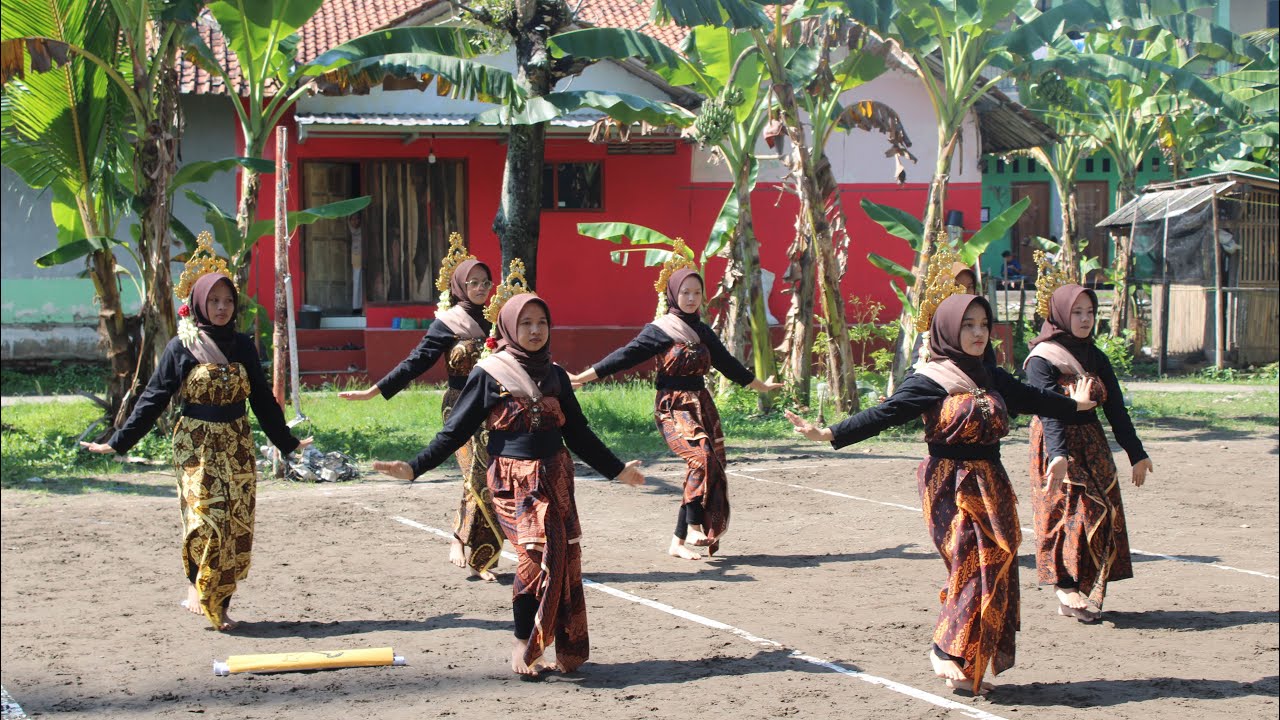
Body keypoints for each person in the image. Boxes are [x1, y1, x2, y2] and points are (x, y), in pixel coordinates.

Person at [785, 292, 1098, 696]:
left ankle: (967, 663)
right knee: (971, 561)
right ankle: (943, 648)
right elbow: (885, 414)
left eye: (983, 324)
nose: (978, 333)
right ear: (948, 329)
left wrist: (1077, 406)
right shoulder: (931, 379)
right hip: (950, 484)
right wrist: (827, 433)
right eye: (968, 325)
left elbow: (1036, 399)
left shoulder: (992, 376)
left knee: (997, 563)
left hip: (992, 481)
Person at [374, 271, 645, 677]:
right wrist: (415, 466)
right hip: (511, 480)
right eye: (525, 323)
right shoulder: (489, 373)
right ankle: (523, 642)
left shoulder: (555, 375)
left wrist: (618, 470)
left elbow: (578, 433)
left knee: (563, 558)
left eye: (541, 322)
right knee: (532, 558)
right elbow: (455, 431)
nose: (535, 331)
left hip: (556, 477)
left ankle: (556, 645)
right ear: (507, 328)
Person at [81, 253, 310, 631]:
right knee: (205, 517)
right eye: (214, 301)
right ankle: (196, 585)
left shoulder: (244, 346)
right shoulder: (181, 347)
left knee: (234, 523)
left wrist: (287, 442)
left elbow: (262, 400)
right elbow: (154, 398)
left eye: (228, 301)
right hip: (196, 445)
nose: (221, 308)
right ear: (200, 303)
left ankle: (220, 603)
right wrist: (119, 442)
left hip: (236, 444)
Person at [570, 257, 783, 560]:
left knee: (707, 464)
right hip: (673, 406)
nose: (691, 298)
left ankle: (677, 542)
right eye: (685, 292)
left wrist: (760, 386)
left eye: (697, 292)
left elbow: (728, 364)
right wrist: (582, 378)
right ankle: (694, 526)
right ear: (673, 295)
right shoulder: (661, 330)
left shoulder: (703, 332)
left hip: (702, 405)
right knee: (701, 457)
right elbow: (623, 357)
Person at [340, 236, 502, 581]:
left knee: (489, 477)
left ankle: (473, 546)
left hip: (493, 408)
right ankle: (470, 547)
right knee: (476, 475)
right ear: (460, 286)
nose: (480, 288)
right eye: (473, 282)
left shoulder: (497, 319)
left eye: (485, 283)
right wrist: (374, 391)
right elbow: (416, 363)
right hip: (459, 407)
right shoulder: (449, 323)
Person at [1024, 283, 1152, 623]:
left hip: (1092, 442)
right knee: (1070, 512)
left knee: (1103, 510)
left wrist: (1136, 453)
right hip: (1055, 443)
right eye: (1077, 312)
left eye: (1090, 312)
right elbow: (1049, 411)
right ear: (1060, 315)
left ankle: (1075, 590)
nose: (1085, 319)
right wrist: (1058, 455)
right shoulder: (1042, 358)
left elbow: (1116, 410)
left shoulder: (1096, 356)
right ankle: (1065, 586)